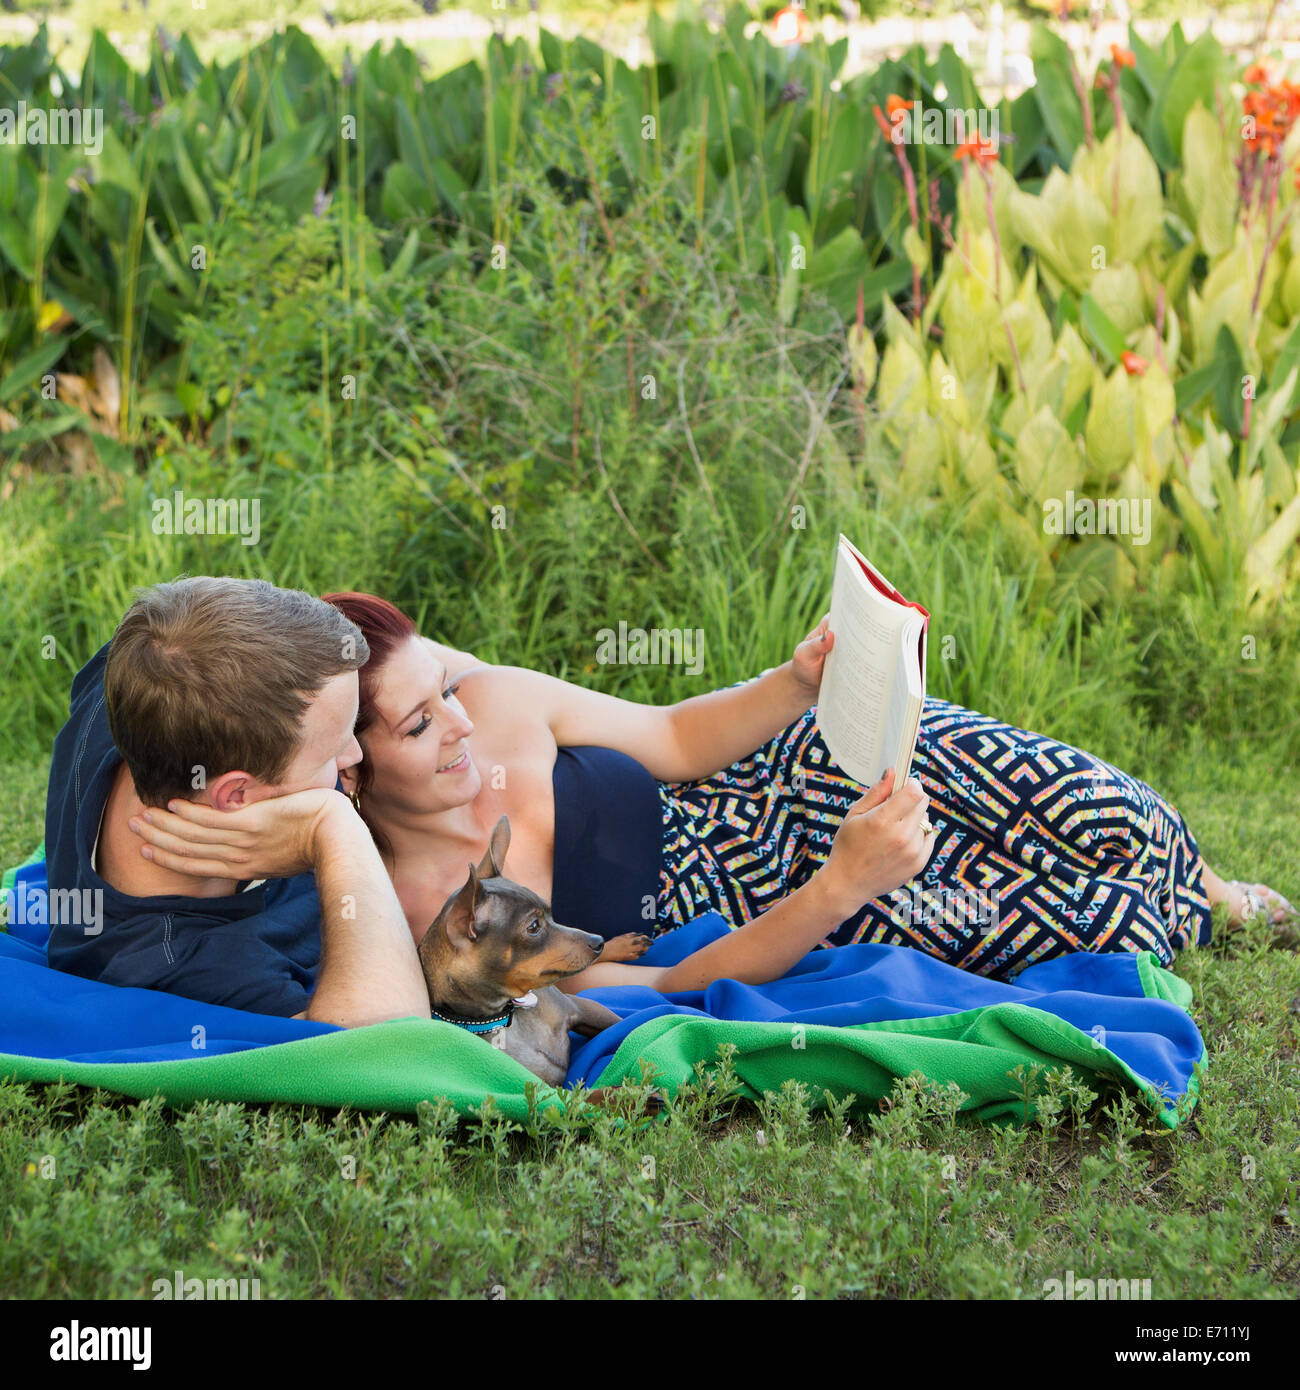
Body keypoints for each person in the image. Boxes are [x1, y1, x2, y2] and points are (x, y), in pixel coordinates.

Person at [128, 591, 1296, 998]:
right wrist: (839, 887)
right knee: (1110, 920)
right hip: (762, 897)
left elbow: (679, 736)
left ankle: (1196, 871)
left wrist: (795, 680)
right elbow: (676, 978)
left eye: (450, 684)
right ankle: (1193, 904)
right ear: (352, 763)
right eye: (424, 718)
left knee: (1116, 818)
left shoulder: (502, 700)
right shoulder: (436, 916)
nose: (465, 718)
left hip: (772, 773)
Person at [44, 577, 428, 1026]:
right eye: (334, 748)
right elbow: (387, 1044)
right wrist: (336, 828)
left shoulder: (141, 674)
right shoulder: (184, 965)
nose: (355, 755)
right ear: (236, 795)